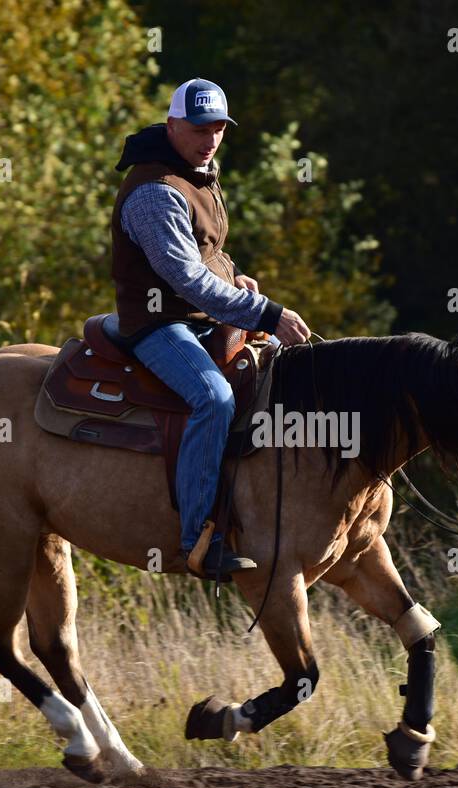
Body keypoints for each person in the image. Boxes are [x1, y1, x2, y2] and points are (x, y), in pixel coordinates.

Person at [109, 77, 311, 579]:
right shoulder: (154, 190)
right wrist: (267, 313)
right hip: (159, 323)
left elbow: (208, 250)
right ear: (172, 125)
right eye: (200, 129)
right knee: (214, 398)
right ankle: (199, 539)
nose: (211, 139)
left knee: (281, 374)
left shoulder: (199, 173)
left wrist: (233, 274)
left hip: (201, 317)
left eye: (218, 129)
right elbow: (185, 277)